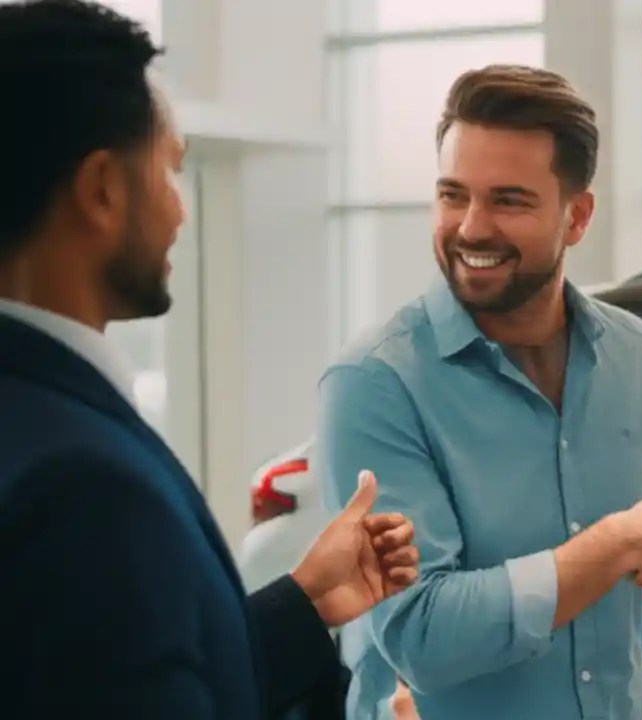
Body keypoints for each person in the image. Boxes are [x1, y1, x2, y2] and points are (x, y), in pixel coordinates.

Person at [0, 2, 420, 717]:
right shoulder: (88, 487)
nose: (180, 211)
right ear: (101, 190)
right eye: (170, 171)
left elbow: (113, 671)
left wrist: (306, 604)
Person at [315, 64, 642, 720]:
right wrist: (617, 541)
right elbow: (422, 636)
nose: (472, 228)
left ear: (578, 216)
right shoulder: (374, 384)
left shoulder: (638, 358)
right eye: (454, 195)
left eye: (508, 200)